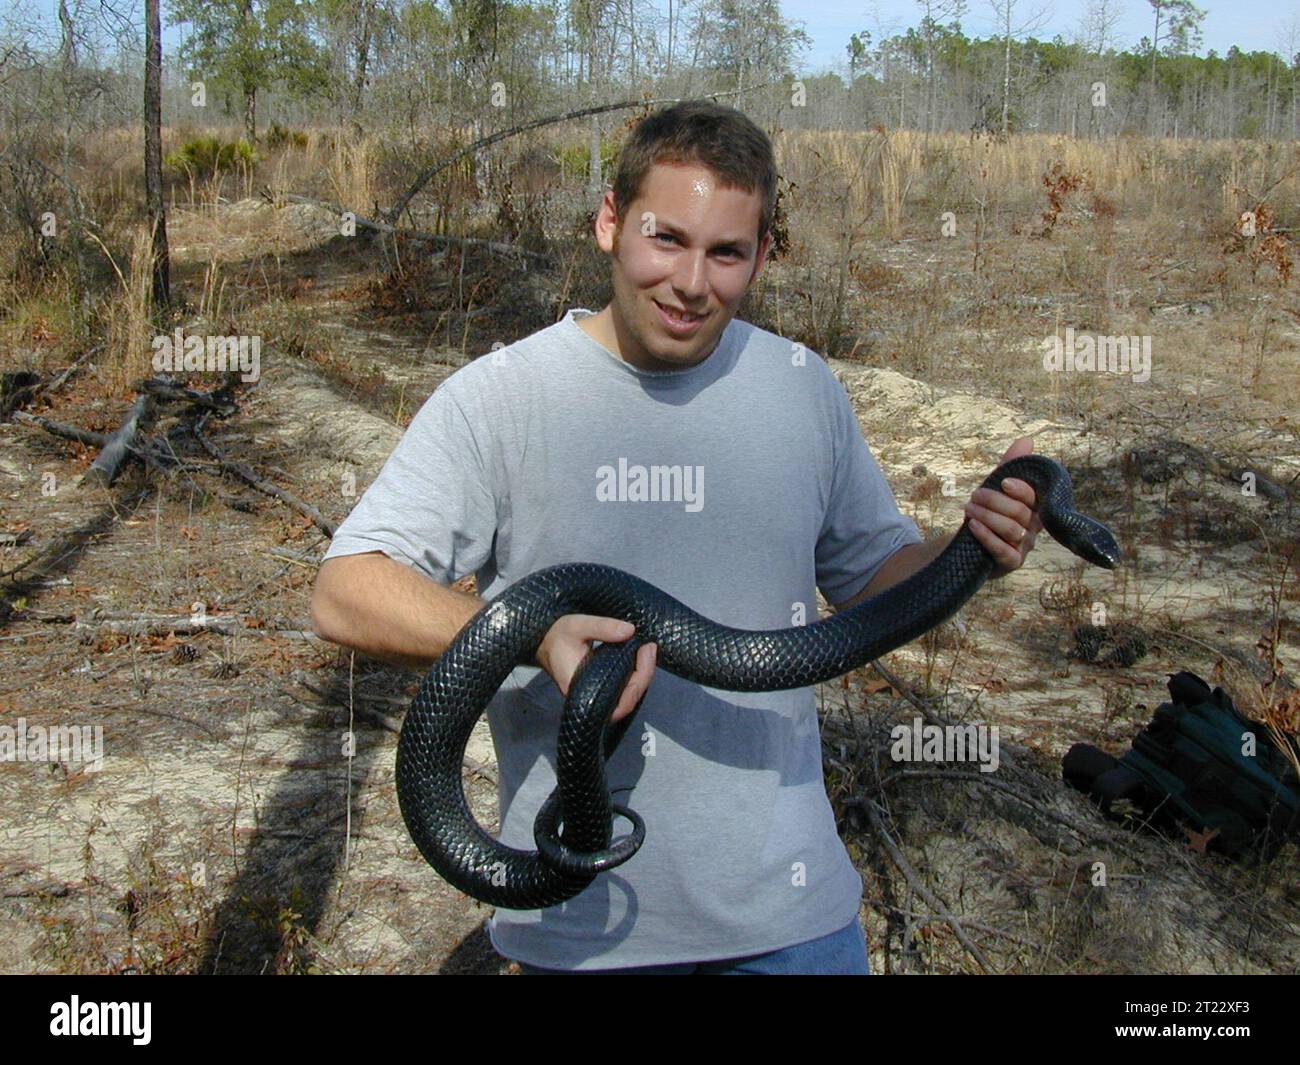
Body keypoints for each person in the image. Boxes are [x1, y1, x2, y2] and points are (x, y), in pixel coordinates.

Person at [309, 100, 1041, 975]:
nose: (692, 282)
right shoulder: (500, 397)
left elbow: (879, 578)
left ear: (763, 254)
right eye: (667, 239)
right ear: (610, 222)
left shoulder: (803, 392)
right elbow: (346, 587)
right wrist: (534, 638)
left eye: (727, 252)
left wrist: (971, 550)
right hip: (581, 931)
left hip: (794, 923)